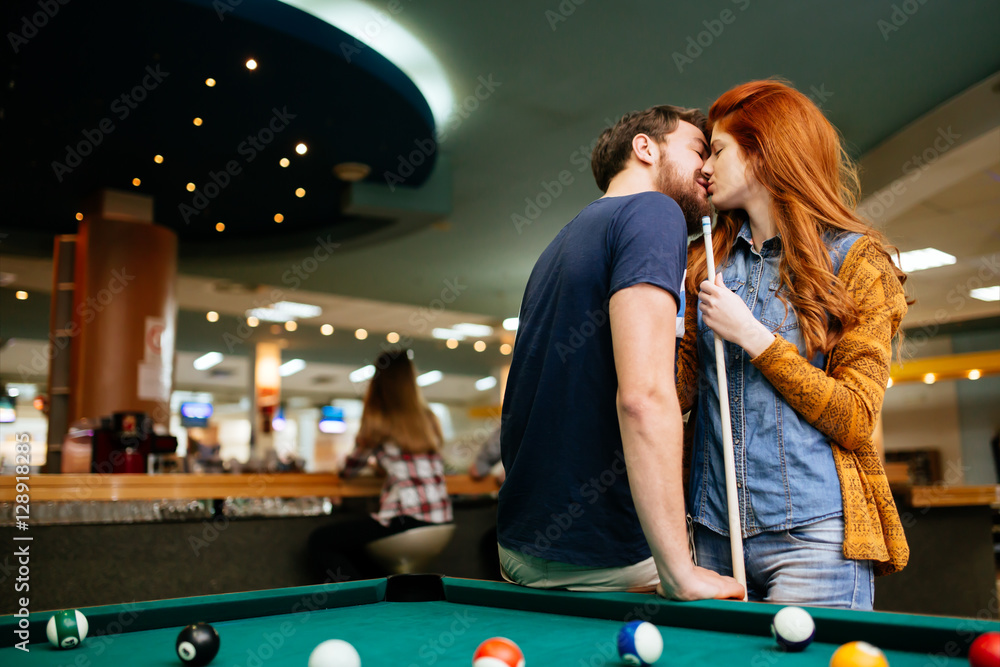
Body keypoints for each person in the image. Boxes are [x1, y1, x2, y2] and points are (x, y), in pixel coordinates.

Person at [677, 79, 910, 609]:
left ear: (764, 153)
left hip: (816, 539)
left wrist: (754, 337)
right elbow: (676, 393)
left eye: (717, 150)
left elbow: (855, 415)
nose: (704, 169)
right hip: (713, 536)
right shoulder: (701, 263)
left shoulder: (857, 262)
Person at [497, 106, 745, 601]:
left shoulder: (559, 245)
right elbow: (645, 396)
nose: (707, 168)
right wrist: (679, 571)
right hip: (607, 554)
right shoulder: (653, 212)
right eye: (698, 149)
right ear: (645, 148)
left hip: (521, 549)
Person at [308, 350, 452, 582]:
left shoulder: (378, 419)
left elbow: (349, 469)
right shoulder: (429, 417)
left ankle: (358, 601)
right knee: (362, 545)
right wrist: (383, 467)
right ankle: (382, 596)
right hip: (442, 518)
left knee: (321, 540)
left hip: (406, 520)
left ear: (379, 382)